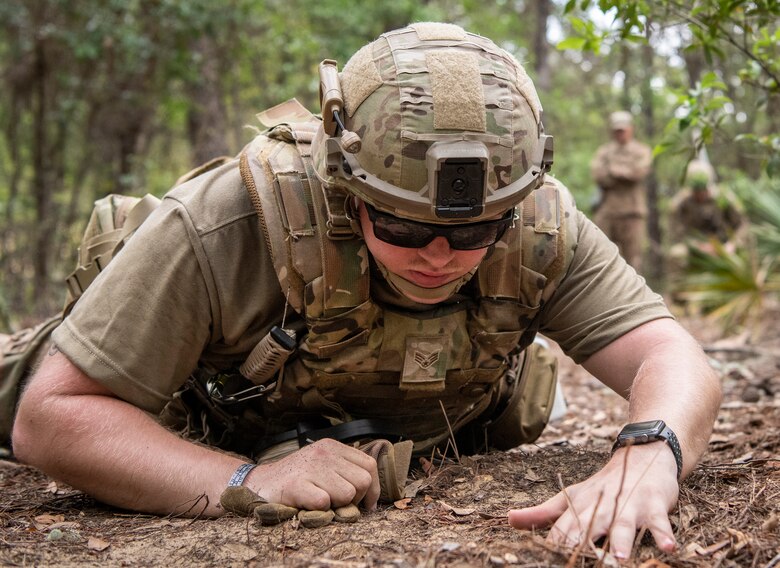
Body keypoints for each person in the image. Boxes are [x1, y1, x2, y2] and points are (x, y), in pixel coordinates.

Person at [9, 23, 720, 559]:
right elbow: (53, 416)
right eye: (405, 230)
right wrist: (250, 480)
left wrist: (651, 449)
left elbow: (671, 356)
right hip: (190, 409)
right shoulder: (228, 222)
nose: (442, 255)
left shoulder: (536, 223)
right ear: (346, 194)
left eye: (476, 232)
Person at [590, 110, 653, 272]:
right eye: (617, 130)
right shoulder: (604, 152)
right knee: (600, 257)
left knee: (634, 261)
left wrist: (614, 170)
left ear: (631, 129)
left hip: (632, 213)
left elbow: (638, 173)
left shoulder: (642, 151)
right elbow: (598, 175)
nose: (620, 134)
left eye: (623, 130)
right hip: (608, 212)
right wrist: (623, 173)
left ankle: (635, 296)